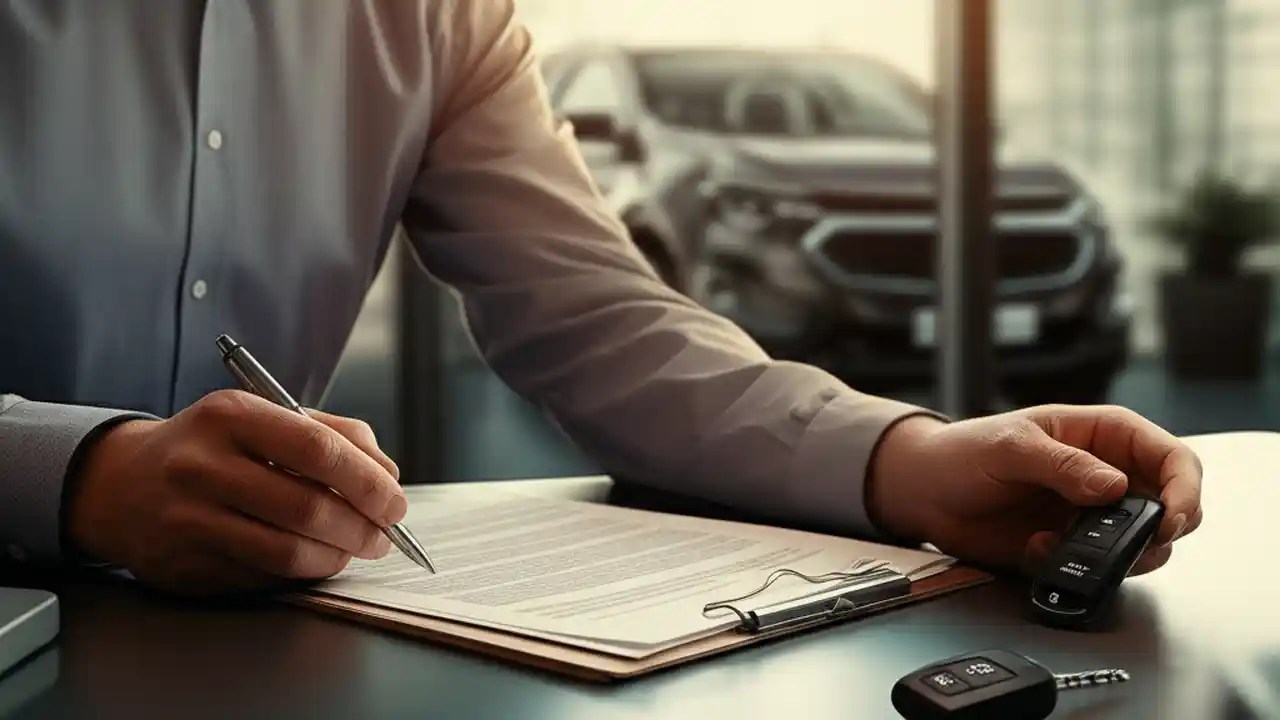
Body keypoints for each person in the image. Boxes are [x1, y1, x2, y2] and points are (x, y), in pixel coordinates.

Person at [0, 1, 1201, 595]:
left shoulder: (437, 17)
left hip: (253, 644)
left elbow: (601, 320)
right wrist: (83, 477)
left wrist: (913, 462)